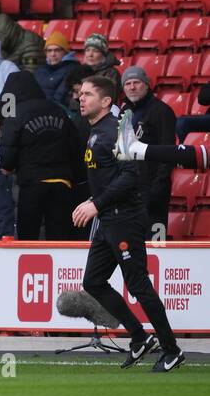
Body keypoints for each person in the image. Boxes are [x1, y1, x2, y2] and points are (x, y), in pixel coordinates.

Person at [74, 75, 184, 372]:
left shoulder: (116, 131)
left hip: (124, 219)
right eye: (80, 94)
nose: (80, 98)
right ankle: (138, 337)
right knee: (93, 282)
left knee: (137, 284)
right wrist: (92, 201)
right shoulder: (97, 131)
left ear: (106, 101)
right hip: (109, 218)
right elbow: (109, 177)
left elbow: (130, 176)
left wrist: (96, 203)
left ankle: (171, 349)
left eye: (87, 94)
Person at [0, 71, 84, 240]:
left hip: (32, 184)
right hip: (62, 182)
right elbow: (75, 146)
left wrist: (7, 166)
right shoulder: (57, 109)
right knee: (60, 239)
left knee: (27, 238)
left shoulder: (14, 113)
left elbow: (8, 148)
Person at [117, 66, 176, 237]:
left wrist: (159, 186)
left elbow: (169, 153)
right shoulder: (124, 112)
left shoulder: (162, 111)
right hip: (129, 186)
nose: (132, 87)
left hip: (153, 187)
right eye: (127, 83)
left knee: (154, 243)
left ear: (147, 85)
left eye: (136, 82)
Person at [35, 30, 77, 107]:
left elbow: (60, 96)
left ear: (65, 51)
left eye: (57, 50)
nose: (53, 54)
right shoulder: (40, 70)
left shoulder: (72, 69)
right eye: (49, 50)